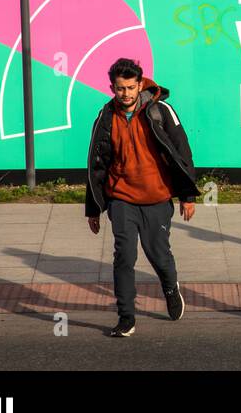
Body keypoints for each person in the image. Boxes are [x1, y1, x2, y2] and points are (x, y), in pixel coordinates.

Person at [85, 58, 199, 337]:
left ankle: (171, 289)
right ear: (112, 87)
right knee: (124, 256)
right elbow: (96, 163)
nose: (125, 94)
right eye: (120, 88)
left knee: (159, 255)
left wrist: (187, 195)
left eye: (131, 88)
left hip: (157, 196)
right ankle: (126, 317)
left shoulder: (160, 111)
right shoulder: (106, 117)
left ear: (140, 85)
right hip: (122, 198)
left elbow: (182, 152)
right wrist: (93, 208)